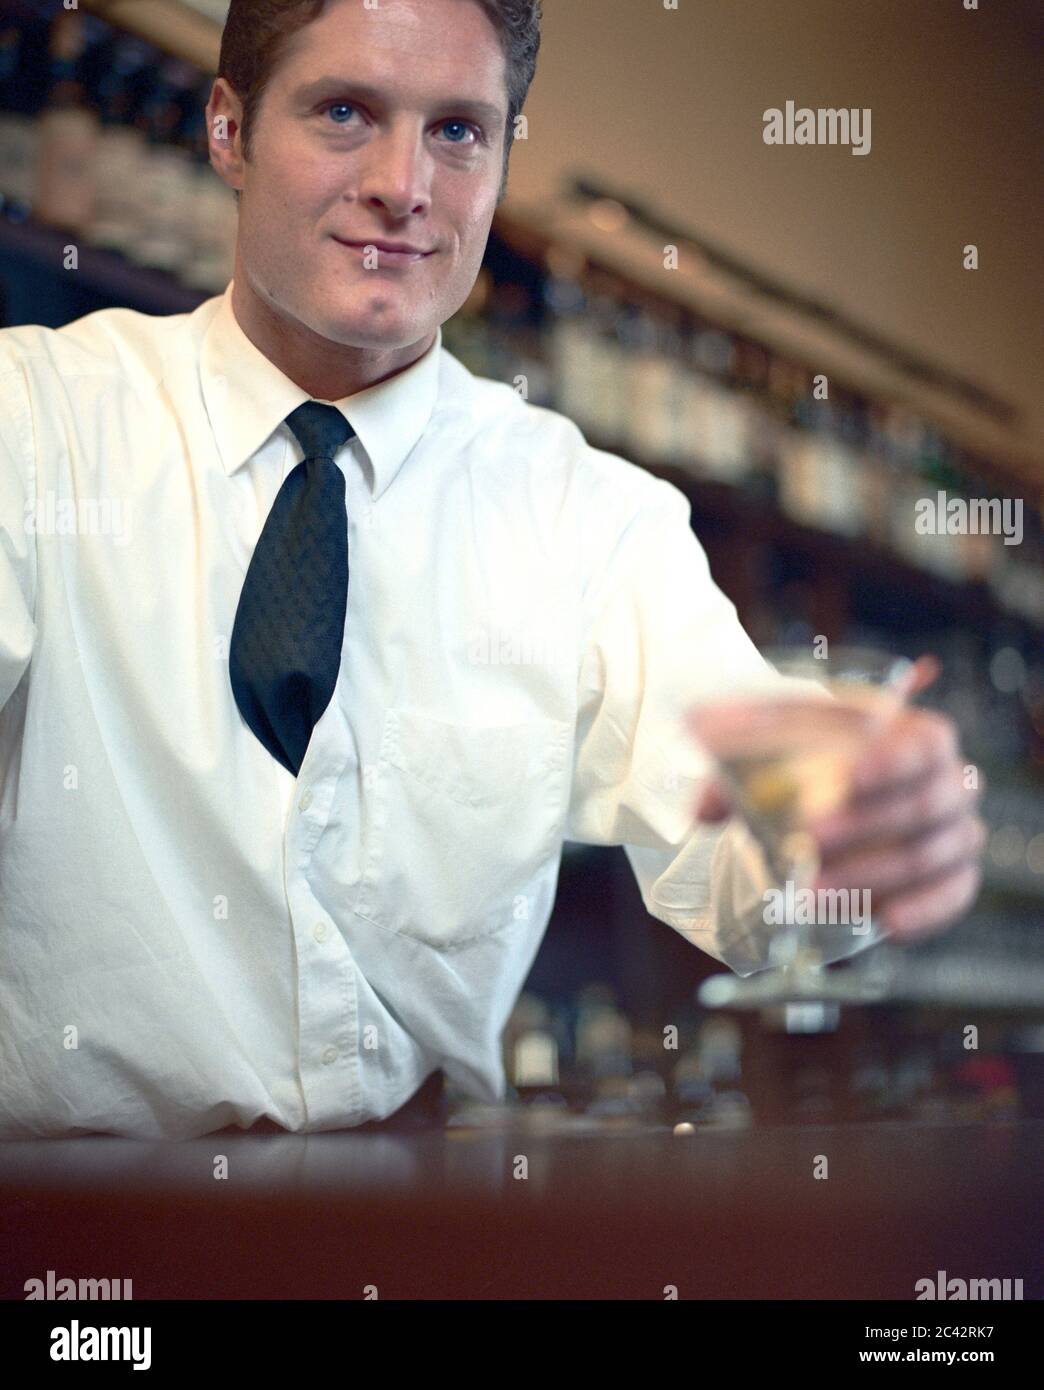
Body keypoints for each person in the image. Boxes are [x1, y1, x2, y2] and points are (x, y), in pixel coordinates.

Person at [0, 0, 984, 1139]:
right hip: (68, 1228)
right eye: (344, 111)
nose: (402, 183)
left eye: (459, 131)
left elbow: (751, 824)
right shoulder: (38, 421)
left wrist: (858, 821)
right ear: (228, 131)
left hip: (430, 1220)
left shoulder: (592, 519)